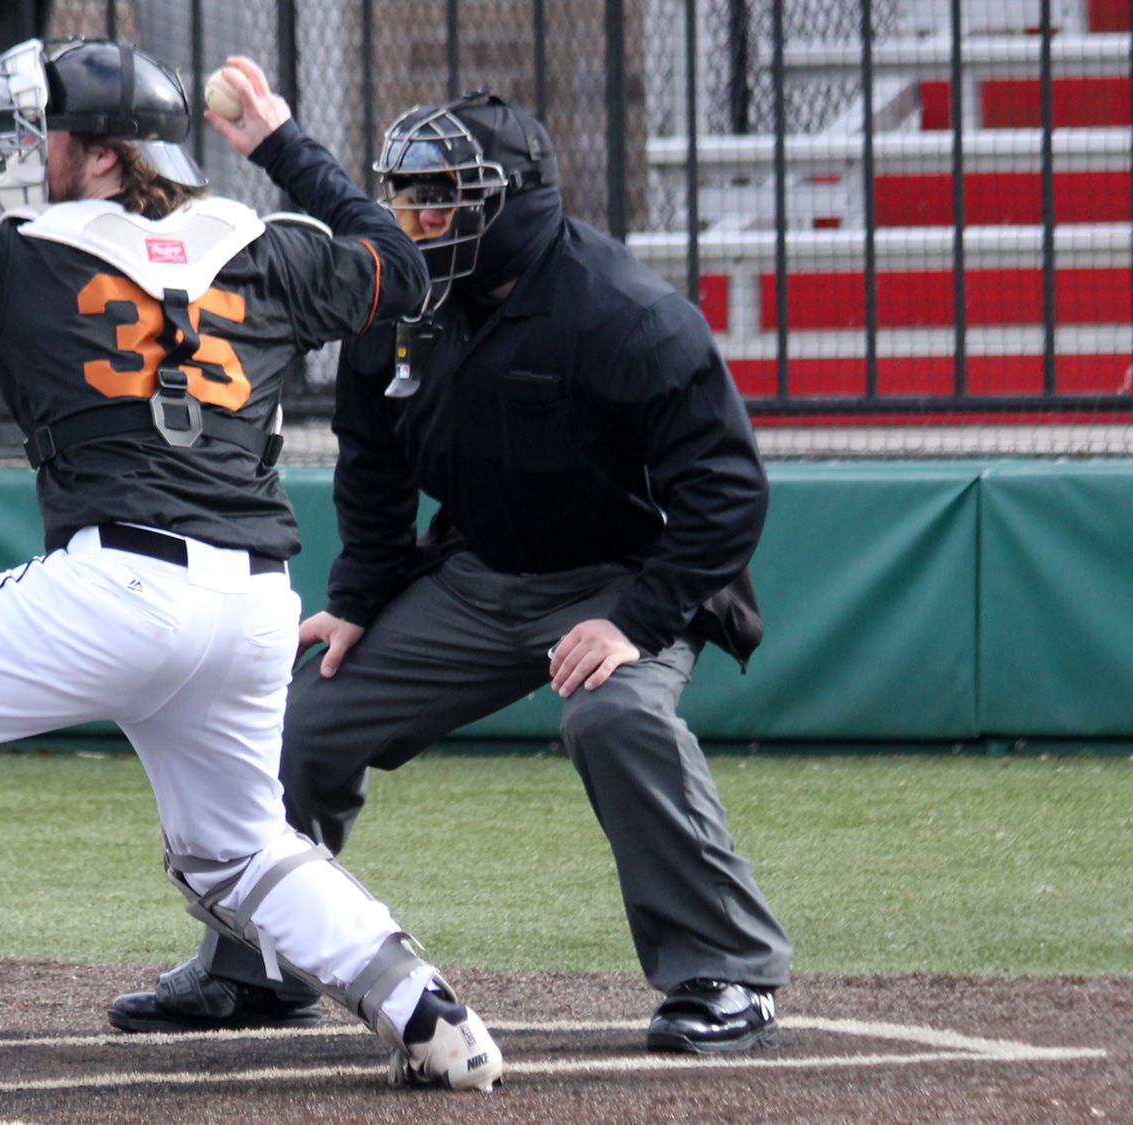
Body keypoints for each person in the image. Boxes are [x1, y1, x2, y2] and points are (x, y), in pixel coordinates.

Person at [0, 41, 504, 1093]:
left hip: (121, 585)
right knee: (235, 848)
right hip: (254, 602)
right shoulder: (266, 245)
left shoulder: (14, 257)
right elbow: (396, 266)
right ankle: (427, 1011)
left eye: (29, 133)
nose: (8, 152)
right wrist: (279, 145)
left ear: (94, 153)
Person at [107, 92, 792, 1056]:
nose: (420, 224)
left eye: (443, 202)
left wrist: (634, 621)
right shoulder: (402, 305)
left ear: (513, 201)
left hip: (624, 581)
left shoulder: (629, 314)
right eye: (410, 200)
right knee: (298, 715)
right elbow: (374, 466)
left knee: (616, 715)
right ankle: (255, 965)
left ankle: (729, 970)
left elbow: (726, 494)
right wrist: (356, 602)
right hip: (476, 576)